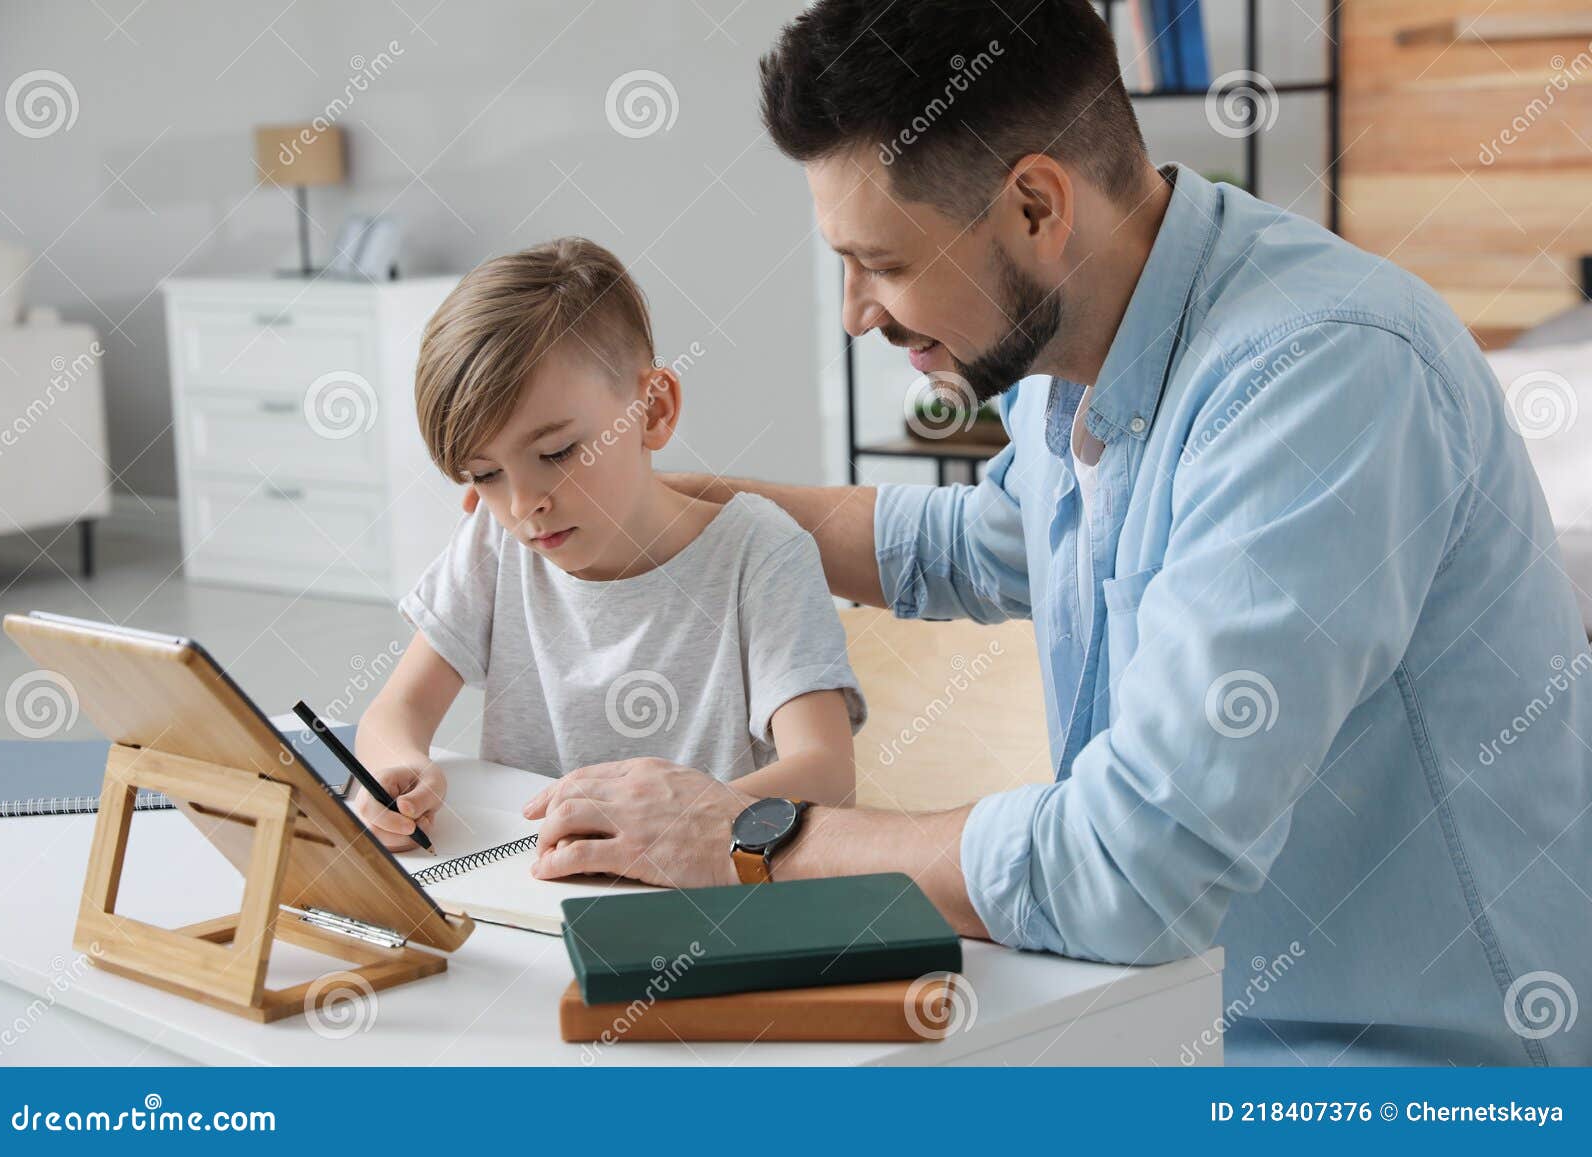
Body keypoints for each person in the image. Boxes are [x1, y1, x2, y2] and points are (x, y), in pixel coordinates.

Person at [518, 1, 1592, 1066]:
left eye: (882, 263)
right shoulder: (1075, 344)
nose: (856, 311)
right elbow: (968, 543)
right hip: (1174, 1014)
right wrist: (655, 502)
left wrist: (745, 838)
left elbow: (1131, 871)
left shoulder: (1318, 376)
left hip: (1413, 1073)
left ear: (1036, 204)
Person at [353, 237, 866, 858]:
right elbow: (393, 713)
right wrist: (400, 767)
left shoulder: (761, 554)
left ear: (652, 410)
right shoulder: (493, 543)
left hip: (702, 905)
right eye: (485, 475)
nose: (523, 505)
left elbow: (829, 778)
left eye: (556, 454)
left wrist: (682, 822)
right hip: (536, 888)